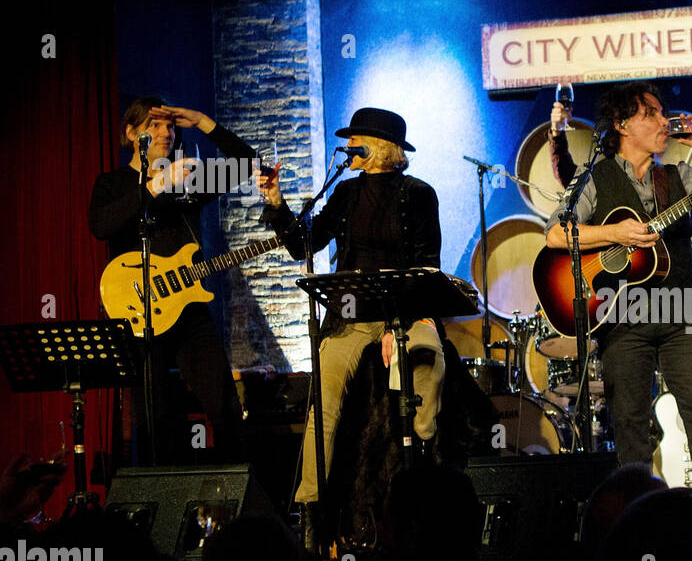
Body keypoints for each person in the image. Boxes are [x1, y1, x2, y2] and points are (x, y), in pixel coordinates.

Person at [542, 81, 692, 505]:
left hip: (681, 313)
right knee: (630, 427)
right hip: (622, 317)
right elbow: (555, 235)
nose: (663, 121)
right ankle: (637, 523)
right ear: (622, 124)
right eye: (651, 114)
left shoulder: (677, 175)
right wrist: (613, 233)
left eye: (662, 112)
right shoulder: (594, 177)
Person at [259, 108, 444, 537]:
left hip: (403, 310)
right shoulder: (343, 193)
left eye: (354, 139)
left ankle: (421, 462)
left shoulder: (419, 194)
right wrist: (276, 202)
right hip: (350, 313)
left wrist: (397, 323)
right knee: (322, 401)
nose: (347, 146)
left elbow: (426, 264)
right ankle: (309, 511)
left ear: (378, 147)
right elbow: (305, 242)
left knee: (426, 359)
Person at [89, 99, 253, 465]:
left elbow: (246, 164)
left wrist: (203, 120)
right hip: (140, 312)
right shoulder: (113, 183)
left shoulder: (188, 178)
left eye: (170, 126)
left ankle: (239, 499)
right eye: (154, 126)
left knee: (224, 404)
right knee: (156, 416)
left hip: (189, 309)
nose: (166, 133)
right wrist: (157, 183)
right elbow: (101, 226)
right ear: (131, 134)